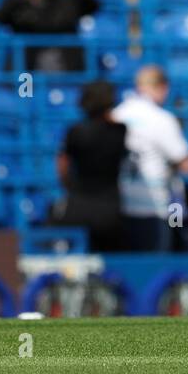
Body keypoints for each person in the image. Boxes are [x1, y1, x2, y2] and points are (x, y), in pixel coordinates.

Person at [113, 65, 188, 251]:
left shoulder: (117, 114)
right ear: (162, 87)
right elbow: (186, 164)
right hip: (155, 207)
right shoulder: (162, 119)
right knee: (156, 269)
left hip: (120, 205)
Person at [54, 80, 127, 252]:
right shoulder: (120, 131)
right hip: (110, 210)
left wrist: (70, 186)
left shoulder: (76, 131)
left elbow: (62, 166)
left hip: (78, 206)